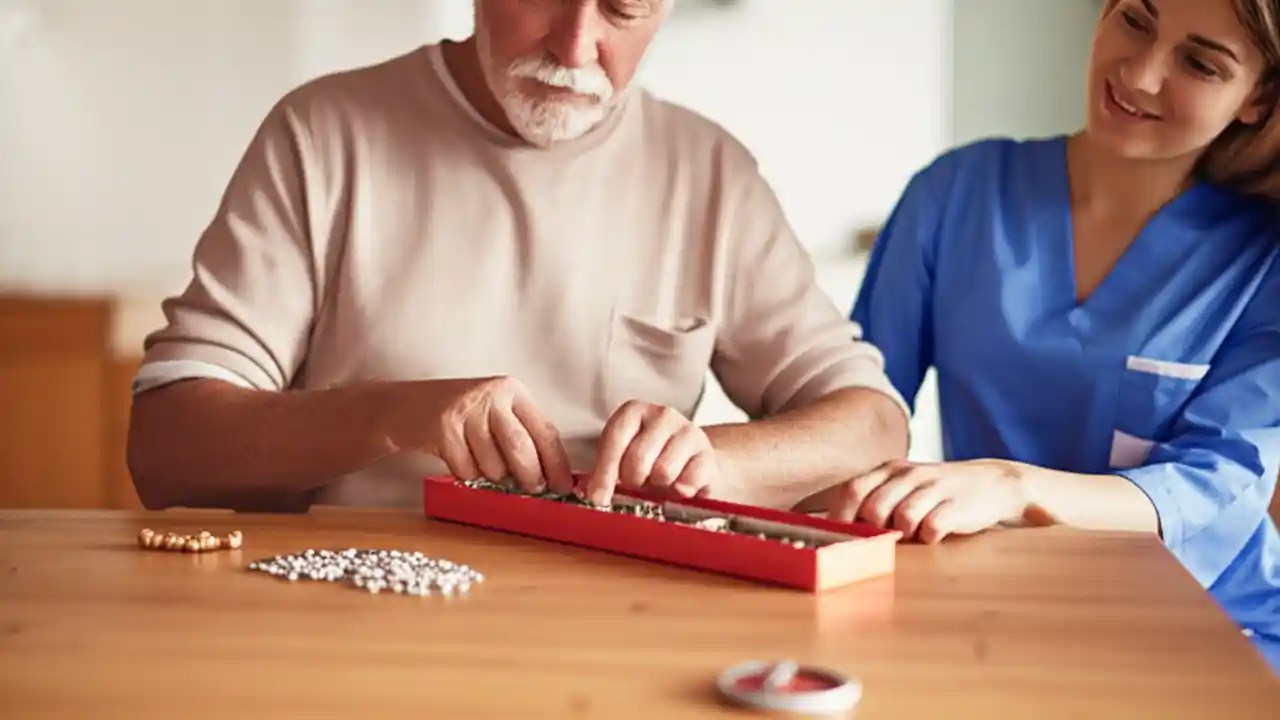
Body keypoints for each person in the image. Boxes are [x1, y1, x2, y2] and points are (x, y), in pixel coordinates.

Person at [126, 0, 908, 514]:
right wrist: (394, 413)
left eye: (621, 9)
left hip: (616, 619)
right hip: (352, 615)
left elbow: (873, 424)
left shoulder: (711, 176)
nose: (575, 46)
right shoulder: (321, 135)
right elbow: (165, 448)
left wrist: (715, 460)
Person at [839, 0, 1280, 670]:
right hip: (997, 608)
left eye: (1199, 62)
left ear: (1258, 97)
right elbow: (857, 408)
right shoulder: (955, 194)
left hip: (1214, 634)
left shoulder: (1264, 262)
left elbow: (1213, 483)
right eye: (1135, 20)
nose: (1141, 75)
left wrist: (1014, 486)